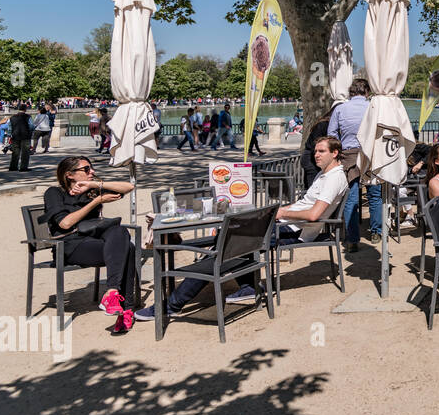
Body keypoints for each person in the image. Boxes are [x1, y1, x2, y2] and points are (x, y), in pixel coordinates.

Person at [135, 136, 350, 320]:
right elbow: (305, 205)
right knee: (225, 237)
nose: (316, 155)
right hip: (284, 224)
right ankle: (248, 286)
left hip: (295, 230)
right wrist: (280, 210)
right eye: (315, 151)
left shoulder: (334, 178)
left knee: (225, 247)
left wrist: (281, 213)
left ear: (335, 153)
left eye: (322, 151)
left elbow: (313, 215)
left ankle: (172, 304)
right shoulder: (324, 174)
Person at [44, 156, 139, 332]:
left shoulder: (92, 190)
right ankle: (126, 309)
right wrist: (97, 201)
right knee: (128, 248)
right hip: (71, 245)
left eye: (91, 168)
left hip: (95, 239)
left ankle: (113, 294)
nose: (92, 171)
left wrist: (94, 185)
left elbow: (129, 187)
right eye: (86, 169)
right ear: (69, 175)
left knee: (120, 232)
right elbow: (65, 223)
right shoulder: (54, 193)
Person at [329, 79, 382, 251]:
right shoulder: (373, 108)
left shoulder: (340, 109)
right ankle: (376, 232)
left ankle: (352, 239)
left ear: (351, 92)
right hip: (370, 154)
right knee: (375, 195)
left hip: (349, 155)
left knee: (350, 198)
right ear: (367, 92)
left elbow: (331, 134)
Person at [301, 108, 333, 188]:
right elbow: (315, 145)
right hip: (311, 159)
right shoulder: (323, 125)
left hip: (312, 157)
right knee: (313, 187)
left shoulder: (325, 124)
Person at [8, 107, 31, 171]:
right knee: (25, 152)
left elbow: (9, 127)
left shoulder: (12, 117)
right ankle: (23, 167)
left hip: (15, 136)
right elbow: (31, 126)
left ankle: (13, 167)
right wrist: (30, 132)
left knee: (15, 152)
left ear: (18, 109)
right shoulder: (28, 117)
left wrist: (9, 135)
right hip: (25, 136)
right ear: (25, 109)